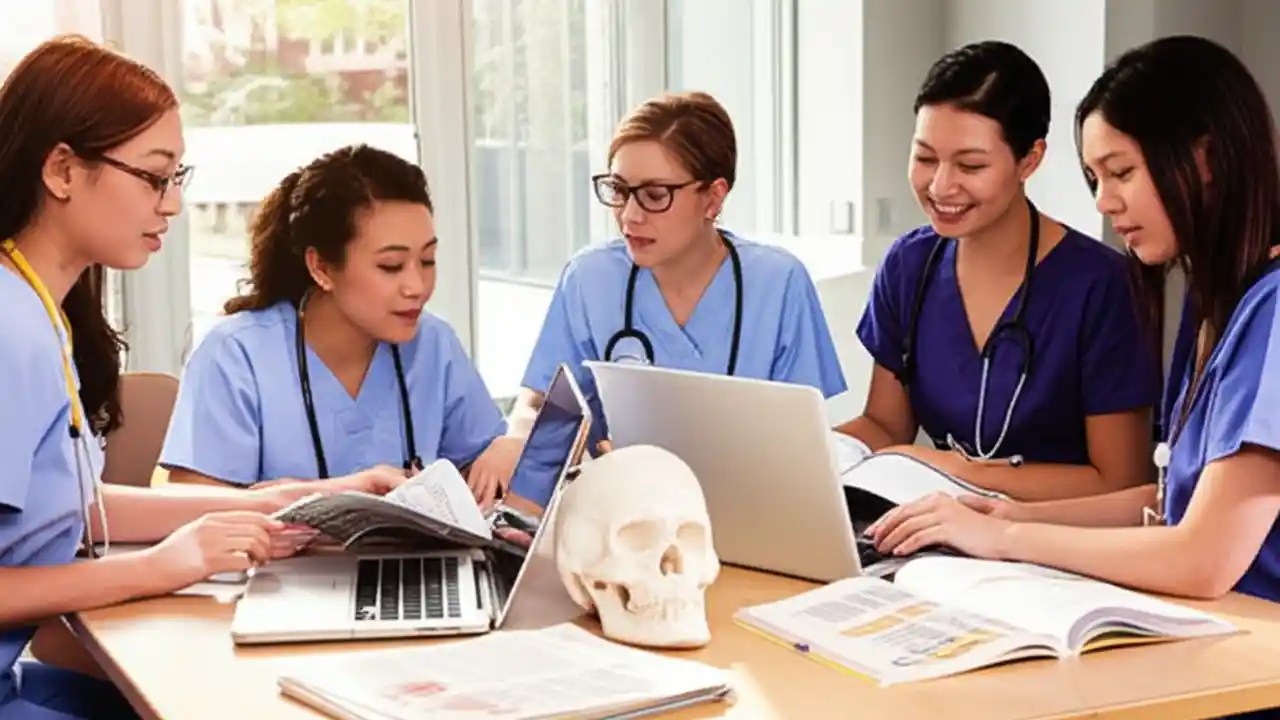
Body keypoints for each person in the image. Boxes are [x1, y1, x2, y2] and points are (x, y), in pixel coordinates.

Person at [0, 36, 379, 720]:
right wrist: (158, 566)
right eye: (154, 177)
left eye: (178, 177)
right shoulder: (8, 327)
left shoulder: (37, 310)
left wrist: (280, 502)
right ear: (62, 170)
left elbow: (64, 509)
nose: (172, 204)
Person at [869, 36, 1280, 607]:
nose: (1103, 203)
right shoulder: (1213, 304)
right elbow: (1168, 504)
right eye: (1095, 178)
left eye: (1121, 172)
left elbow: (1203, 559)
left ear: (1204, 159)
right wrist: (1002, 514)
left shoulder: (1272, 311)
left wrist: (1006, 539)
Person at [835, 40, 1158, 501]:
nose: (940, 186)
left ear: (1030, 159)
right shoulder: (909, 266)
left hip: (1061, 538)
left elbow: (1121, 482)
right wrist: (817, 452)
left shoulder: (1103, 286)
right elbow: (885, 427)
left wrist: (960, 473)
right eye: (925, 158)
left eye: (970, 165)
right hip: (935, 531)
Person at [160, 144, 521, 508]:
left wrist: (507, 449)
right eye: (391, 266)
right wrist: (330, 492)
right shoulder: (235, 356)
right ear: (321, 268)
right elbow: (190, 504)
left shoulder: (433, 344)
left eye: (427, 260)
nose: (417, 286)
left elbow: (482, 462)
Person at [513, 90, 847, 449]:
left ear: (713, 198)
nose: (629, 216)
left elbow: (802, 440)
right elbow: (538, 405)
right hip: (619, 485)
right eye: (619, 190)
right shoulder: (590, 279)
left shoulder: (778, 284)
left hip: (748, 487)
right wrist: (517, 438)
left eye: (655, 195)